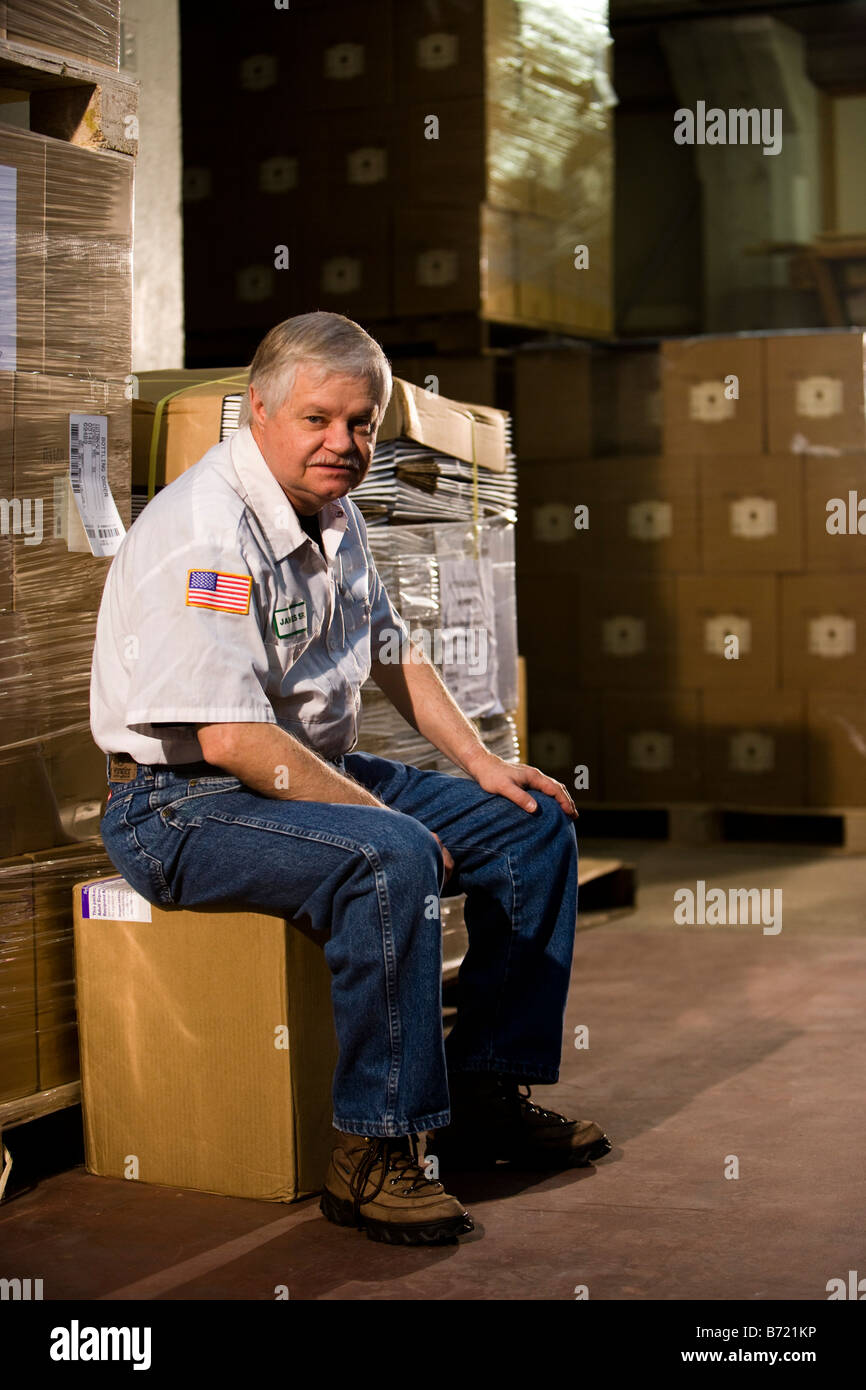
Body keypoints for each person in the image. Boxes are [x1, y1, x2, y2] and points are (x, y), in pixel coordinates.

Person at [91, 311, 611, 1248]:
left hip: (301, 769)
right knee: (390, 858)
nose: (344, 443)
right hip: (181, 805)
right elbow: (232, 738)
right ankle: (372, 1151)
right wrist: (390, 823)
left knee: (531, 821)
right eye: (318, 420)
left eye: (362, 423)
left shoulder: (333, 511)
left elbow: (390, 652)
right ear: (258, 411)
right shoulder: (208, 535)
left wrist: (487, 765)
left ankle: (486, 1090)